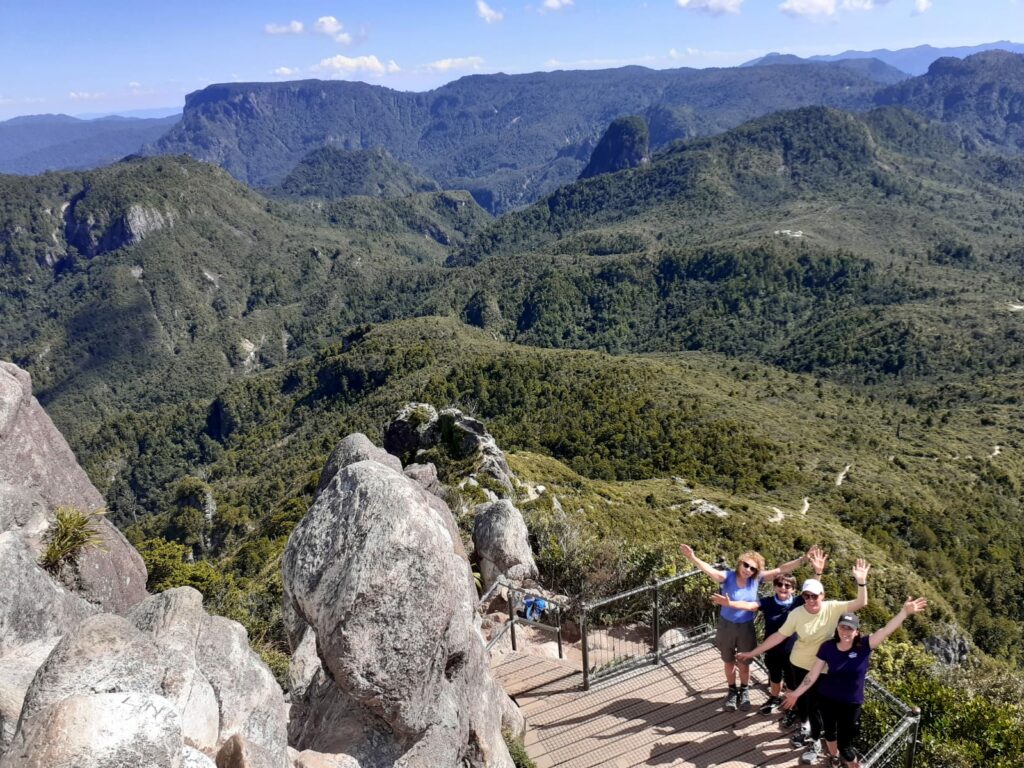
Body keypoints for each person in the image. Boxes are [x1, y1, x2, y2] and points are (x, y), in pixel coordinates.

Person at [736, 558, 871, 765]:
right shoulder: (797, 614)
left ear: (822, 596)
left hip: (823, 670)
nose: (809, 600)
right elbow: (779, 636)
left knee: (817, 706)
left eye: (814, 596)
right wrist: (753, 652)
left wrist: (861, 582)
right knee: (805, 702)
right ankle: (812, 736)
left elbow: (861, 603)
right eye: (806, 596)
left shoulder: (832, 608)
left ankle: (817, 740)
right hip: (798, 664)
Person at [782, 597, 928, 768]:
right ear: (837, 628)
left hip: (850, 704)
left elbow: (886, 630)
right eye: (842, 627)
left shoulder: (864, 645)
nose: (845, 632)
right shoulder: (828, 647)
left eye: (850, 629)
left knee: (846, 747)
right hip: (827, 698)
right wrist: (796, 693)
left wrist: (904, 612)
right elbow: (813, 675)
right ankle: (834, 759)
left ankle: (851, 764)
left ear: (857, 631)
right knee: (829, 733)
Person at [680, 543, 811, 712]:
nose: (748, 570)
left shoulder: (756, 579)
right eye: (746, 565)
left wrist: (804, 559)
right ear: (740, 563)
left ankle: (744, 689)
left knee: (744, 662)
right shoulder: (727, 577)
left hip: (746, 627)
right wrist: (692, 557)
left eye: (752, 568)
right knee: (728, 662)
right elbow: (709, 570)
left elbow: (781, 570)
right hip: (726, 626)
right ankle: (732, 690)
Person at [714, 546, 828, 718]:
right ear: (774, 586)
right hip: (772, 648)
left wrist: (817, 571)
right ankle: (774, 698)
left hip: (793, 650)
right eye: (780, 584)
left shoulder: (798, 602)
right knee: (775, 677)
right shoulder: (767, 602)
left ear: (793, 589)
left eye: (787, 586)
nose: (783, 588)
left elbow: (813, 592)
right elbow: (750, 606)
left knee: (791, 680)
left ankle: (791, 707)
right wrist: (731, 604)